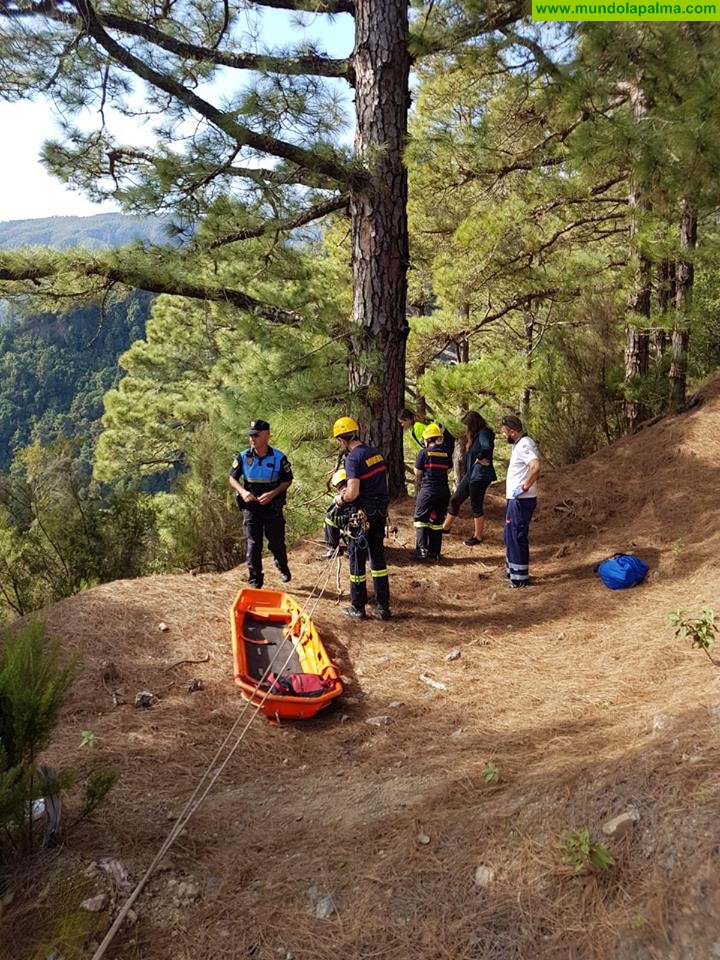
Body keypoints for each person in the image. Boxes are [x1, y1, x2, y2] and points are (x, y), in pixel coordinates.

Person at [331, 416, 391, 621]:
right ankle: (383, 607)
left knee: (357, 560)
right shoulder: (375, 453)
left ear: (342, 439)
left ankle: (358, 607)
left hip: (361, 514)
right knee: (378, 558)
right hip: (379, 512)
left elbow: (353, 493)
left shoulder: (353, 458)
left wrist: (340, 499)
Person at [228, 418, 293, 589]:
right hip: (251, 506)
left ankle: (282, 567)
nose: (252, 439)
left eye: (256, 435)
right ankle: (255, 579)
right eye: (251, 436)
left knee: (276, 541)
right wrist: (243, 492)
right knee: (253, 543)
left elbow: (288, 480)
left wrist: (273, 493)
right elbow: (231, 478)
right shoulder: (243, 456)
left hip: (272, 506)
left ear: (266, 435)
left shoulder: (279, 457)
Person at [443, 411, 497, 546]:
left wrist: (480, 458)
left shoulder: (484, 433)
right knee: (455, 499)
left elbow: (487, 447)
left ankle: (478, 537)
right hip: (471, 475)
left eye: (467, 425)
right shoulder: (476, 435)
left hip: (480, 475)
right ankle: (445, 527)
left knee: (476, 505)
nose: (465, 429)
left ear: (472, 424)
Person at [500, 414, 540, 589]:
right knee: (510, 535)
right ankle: (513, 572)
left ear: (513, 432)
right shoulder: (519, 445)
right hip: (515, 499)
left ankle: (519, 578)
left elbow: (535, 466)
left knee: (516, 536)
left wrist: (524, 487)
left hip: (521, 500)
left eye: (504, 432)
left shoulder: (525, 444)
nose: (503, 435)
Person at [413, 423, 451, 561]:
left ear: (428, 439)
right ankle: (434, 553)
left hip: (428, 490)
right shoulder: (446, 453)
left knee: (420, 519)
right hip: (443, 491)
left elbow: (418, 472)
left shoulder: (424, 453)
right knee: (437, 522)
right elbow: (448, 470)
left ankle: (421, 550)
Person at [321, 468, 347, 559]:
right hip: (368, 537)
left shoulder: (343, 496)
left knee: (329, 519)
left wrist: (338, 503)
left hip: (354, 534)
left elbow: (332, 514)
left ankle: (333, 549)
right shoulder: (360, 489)